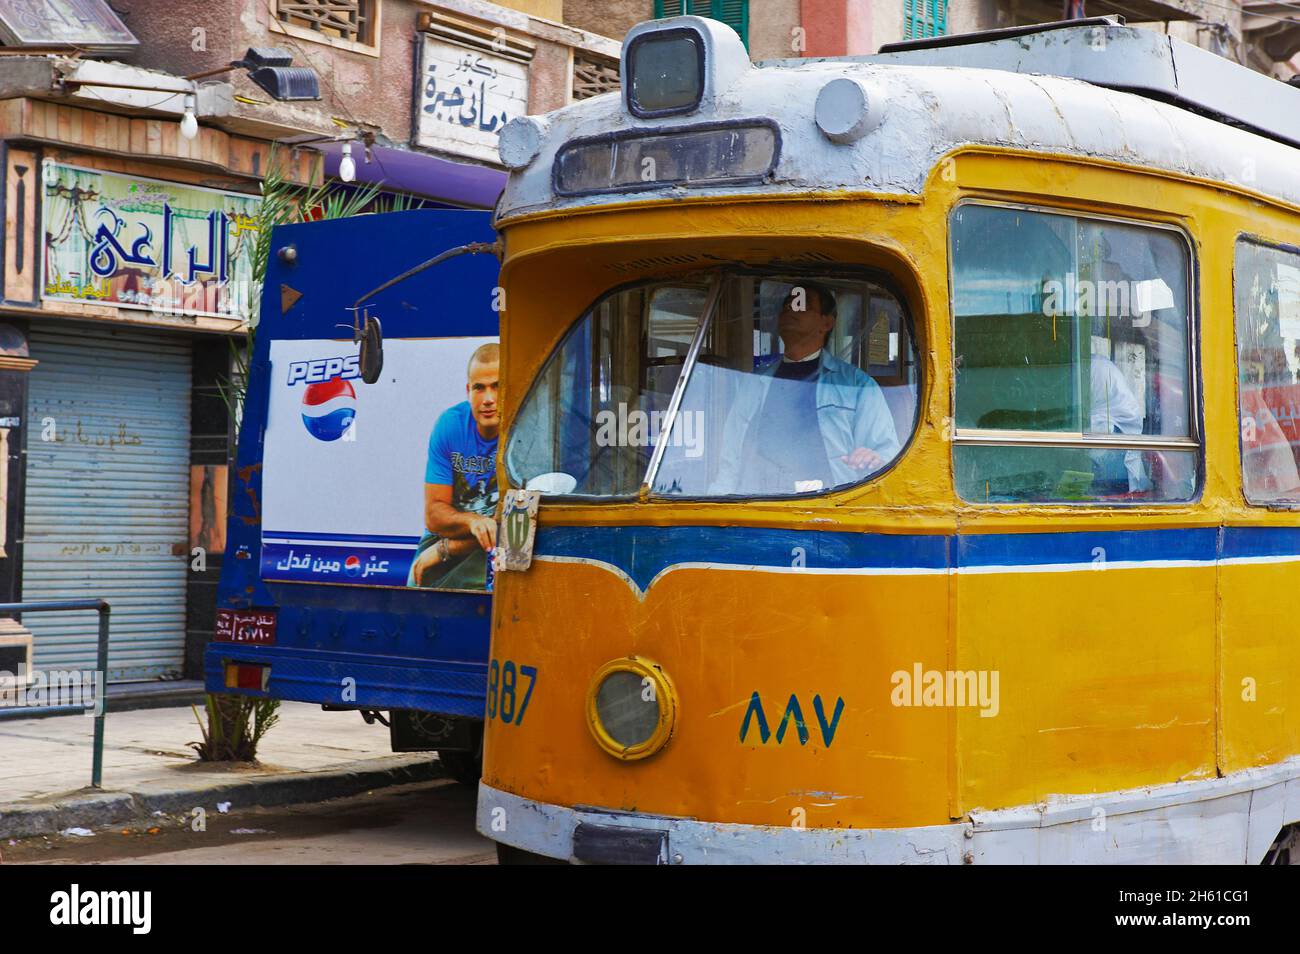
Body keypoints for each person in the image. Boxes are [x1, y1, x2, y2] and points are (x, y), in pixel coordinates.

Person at [710, 283, 901, 496]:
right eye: (787, 305)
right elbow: (731, 458)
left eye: (802, 304)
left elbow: (885, 454)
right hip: (761, 507)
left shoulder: (856, 385)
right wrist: (716, 503)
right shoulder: (753, 382)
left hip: (832, 507)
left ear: (827, 322)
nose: (791, 309)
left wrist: (872, 457)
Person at [407, 342, 500, 589]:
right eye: (479, 388)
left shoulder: (526, 429)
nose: (488, 399)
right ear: (468, 390)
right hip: (456, 530)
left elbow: (518, 525)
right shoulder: (450, 425)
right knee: (416, 582)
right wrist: (472, 522)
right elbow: (434, 514)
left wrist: (444, 550)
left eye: (497, 387)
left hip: (502, 543)